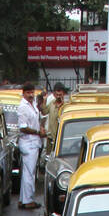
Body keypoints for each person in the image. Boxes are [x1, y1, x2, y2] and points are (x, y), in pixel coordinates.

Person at [16, 81, 42, 209]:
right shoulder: (23, 107)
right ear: (23, 93)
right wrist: (37, 132)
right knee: (29, 173)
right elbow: (23, 127)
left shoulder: (33, 104)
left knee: (28, 171)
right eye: (28, 92)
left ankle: (23, 199)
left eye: (32, 92)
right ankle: (28, 201)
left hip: (34, 141)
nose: (31, 94)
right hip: (28, 142)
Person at [45, 82, 67, 148]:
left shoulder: (66, 106)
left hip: (61, 140)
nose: (59, 96)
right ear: (54, 94)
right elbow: (44, 112)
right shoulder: (51, 103)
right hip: (50, 137)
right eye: (57, 95)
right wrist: (43, 101)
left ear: (64, 94)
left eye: (60, 95)